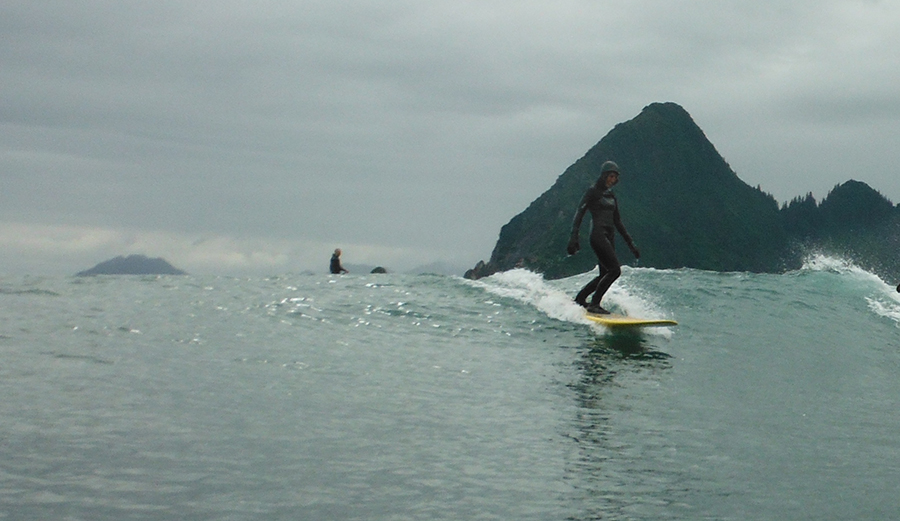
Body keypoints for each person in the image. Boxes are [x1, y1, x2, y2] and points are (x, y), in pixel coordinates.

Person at [567, 160, 640, 314]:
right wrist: (574, 237)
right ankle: (594, 304)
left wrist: (631, 243)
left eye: (615, 177)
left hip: (609, 235)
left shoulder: (611, 195)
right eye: (610, 176)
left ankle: (580, 298)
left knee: (604, 273)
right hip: (598, 235)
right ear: (604, 175)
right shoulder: (592, 191)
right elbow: (579, 213)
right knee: (615, 271)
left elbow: (617, 221)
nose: (613, 180)